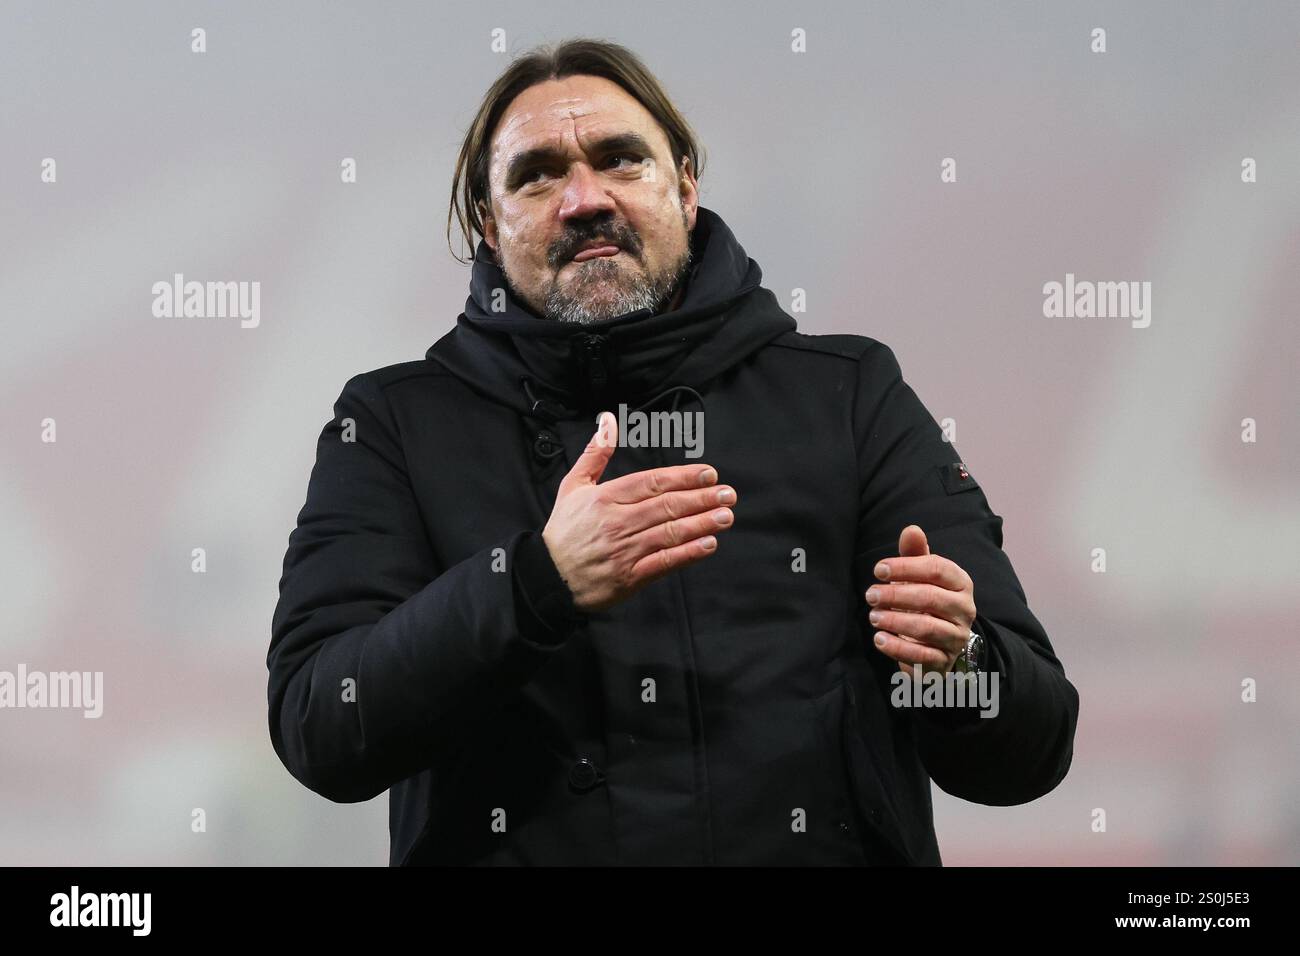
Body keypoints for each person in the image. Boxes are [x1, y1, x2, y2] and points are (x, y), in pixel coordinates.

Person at [266, 37, 1079, 866]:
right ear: (488, 222)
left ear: (686, 188)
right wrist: (534, 587)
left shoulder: (849, 395)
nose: (585, 200)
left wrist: (963, 666)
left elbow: (1032, 755)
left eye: (622, 160)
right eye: (537, 174)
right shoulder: (396, 423)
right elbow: (319, 725)